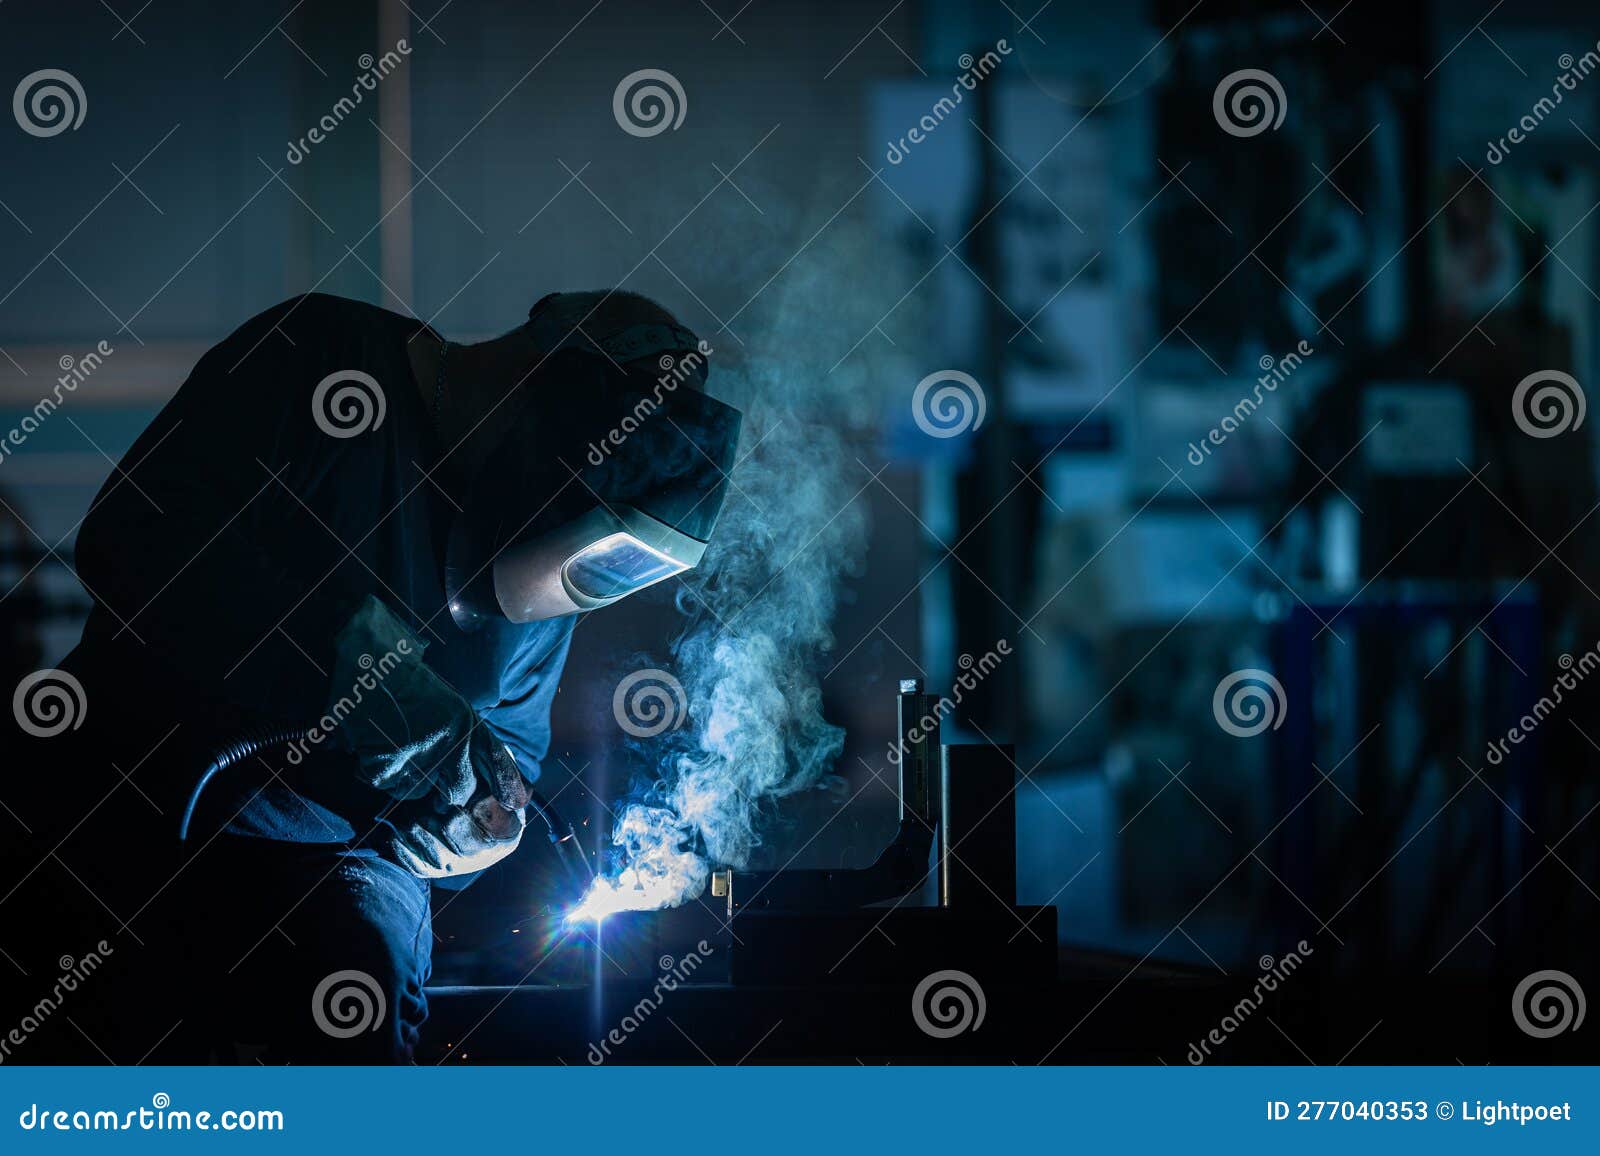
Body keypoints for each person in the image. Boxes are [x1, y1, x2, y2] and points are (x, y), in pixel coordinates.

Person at [0, 291, 738, 1062]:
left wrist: (475, 827)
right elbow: (133, 537)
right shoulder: (325, 360)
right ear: (538, 392)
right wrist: (334, 652)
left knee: (355, 989)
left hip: (335, 869)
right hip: (127, 791)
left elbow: (505, 759)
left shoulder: (546, 576)